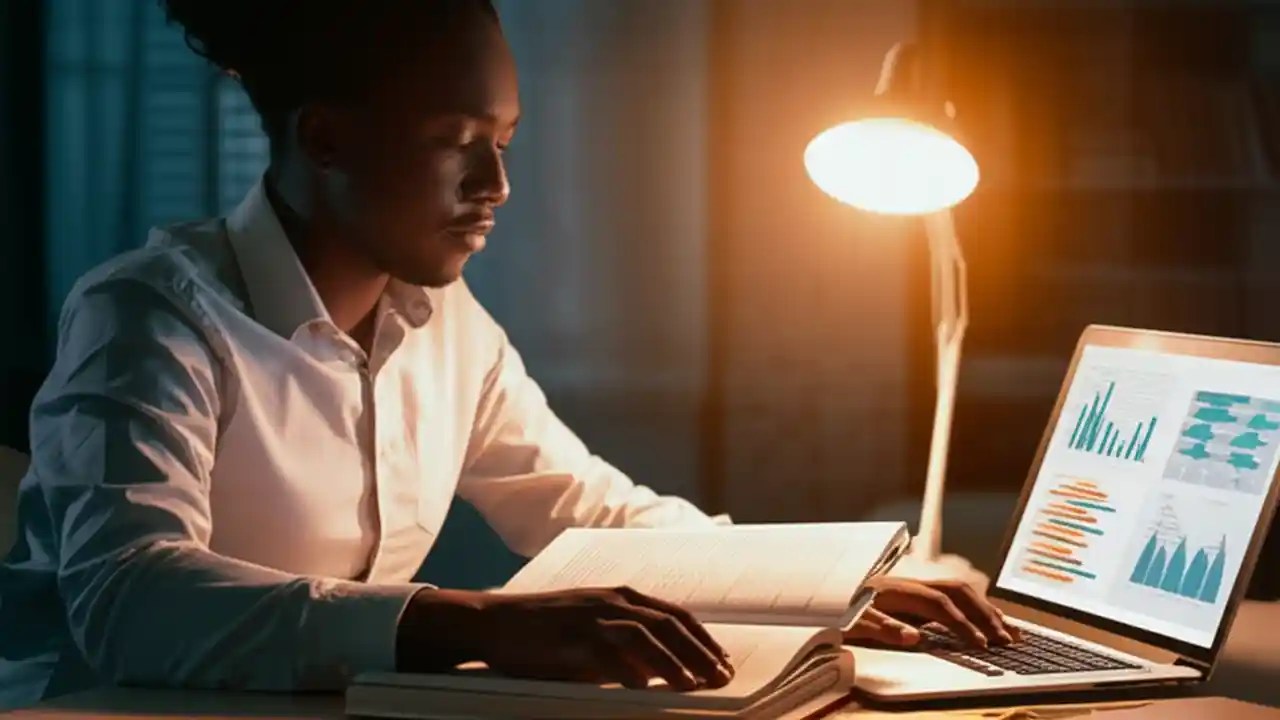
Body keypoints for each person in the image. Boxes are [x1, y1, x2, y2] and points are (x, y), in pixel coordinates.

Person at [0, 0, 1016, 708]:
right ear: (323, 139)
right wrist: (475, 622)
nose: (496, 183)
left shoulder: (443, 326)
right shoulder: (150, 317)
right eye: (456, 138)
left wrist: (834, 584)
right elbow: (129, 597)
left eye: (506, 139)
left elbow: (589, 510)